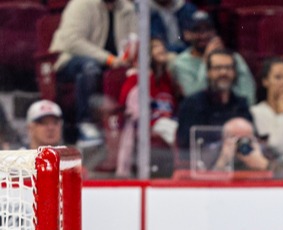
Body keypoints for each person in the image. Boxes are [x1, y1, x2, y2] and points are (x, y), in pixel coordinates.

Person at [49, 0, 137, 145]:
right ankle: (85, 124)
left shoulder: (127, 9)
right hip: (72, 58)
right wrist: (108, 59)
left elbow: (135, 39)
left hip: (115, 63)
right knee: (90, 68)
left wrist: (130, 57)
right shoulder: (81, 4)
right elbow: (72, 41)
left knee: (137, 72)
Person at [116, 36, 180, 177]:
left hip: (167, 122)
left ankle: (180, 169)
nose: (161, 49)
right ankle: (179, 168)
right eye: (155, 47)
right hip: (147, 126)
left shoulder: (166, 80)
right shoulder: (136, 78)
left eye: (162, 46)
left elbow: (174, 105)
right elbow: (127, 108)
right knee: (175, 130)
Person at [168, 12, 256, 106]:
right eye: (197, 30)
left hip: (233, 109)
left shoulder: (233, 57)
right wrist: (207, 61)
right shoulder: (181, 63)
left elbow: (249, 96)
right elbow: (192, 98)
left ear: (215, 33)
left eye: (208, 30)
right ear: (187, 34)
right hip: (201, 112)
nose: (203, 36)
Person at [175, 48, 252, 153]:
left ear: (234, 72)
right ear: (208, 72)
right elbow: (185, 144)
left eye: (228, 68)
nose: (223, 72)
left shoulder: (241, 104)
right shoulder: (192, 104)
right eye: (218, 68)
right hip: (204, 160)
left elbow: (251, 137)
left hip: (239, 159)